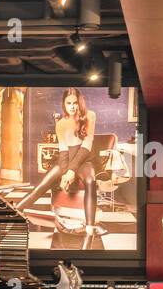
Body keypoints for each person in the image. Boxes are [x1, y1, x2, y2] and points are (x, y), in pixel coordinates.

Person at [17, 88, 103, 247]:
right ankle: (9, 214)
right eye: (68, 103)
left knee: (90, 181)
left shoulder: (90, 115)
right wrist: (65, 172)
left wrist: (71, 171)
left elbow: (86, 147)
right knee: (41, 185)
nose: (72, 106)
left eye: (75, 103)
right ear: (64, 104)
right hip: (66, 159)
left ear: (80, 102)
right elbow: (64, 152)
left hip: (86, 160)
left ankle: (89, 231)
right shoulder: (61, 124)